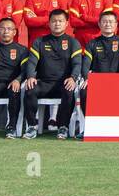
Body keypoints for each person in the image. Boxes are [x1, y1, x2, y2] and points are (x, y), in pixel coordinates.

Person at [22, 9, 83, 139]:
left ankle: (63, 127)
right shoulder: (39, 42)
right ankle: (32, 126)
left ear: (66, 23)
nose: (57, 24)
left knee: (69, 90)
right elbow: (32, 62)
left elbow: (77, 64)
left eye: (60, 21)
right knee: (30, 88)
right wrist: (31, 76)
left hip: (63, 83)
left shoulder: (73, 42)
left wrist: (73, 78)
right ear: (49, 23)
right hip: (44, 82)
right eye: (54, 21)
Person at [77, 11, 119, 133]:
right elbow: (85, 64)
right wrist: (87, 79)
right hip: (97, 82)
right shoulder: (92, 43)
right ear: (99, 24)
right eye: (104, 21)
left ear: (116, 24)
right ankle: (88, 127)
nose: (107, 24)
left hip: (118, 82)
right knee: (84, 91)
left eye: (111, 21)